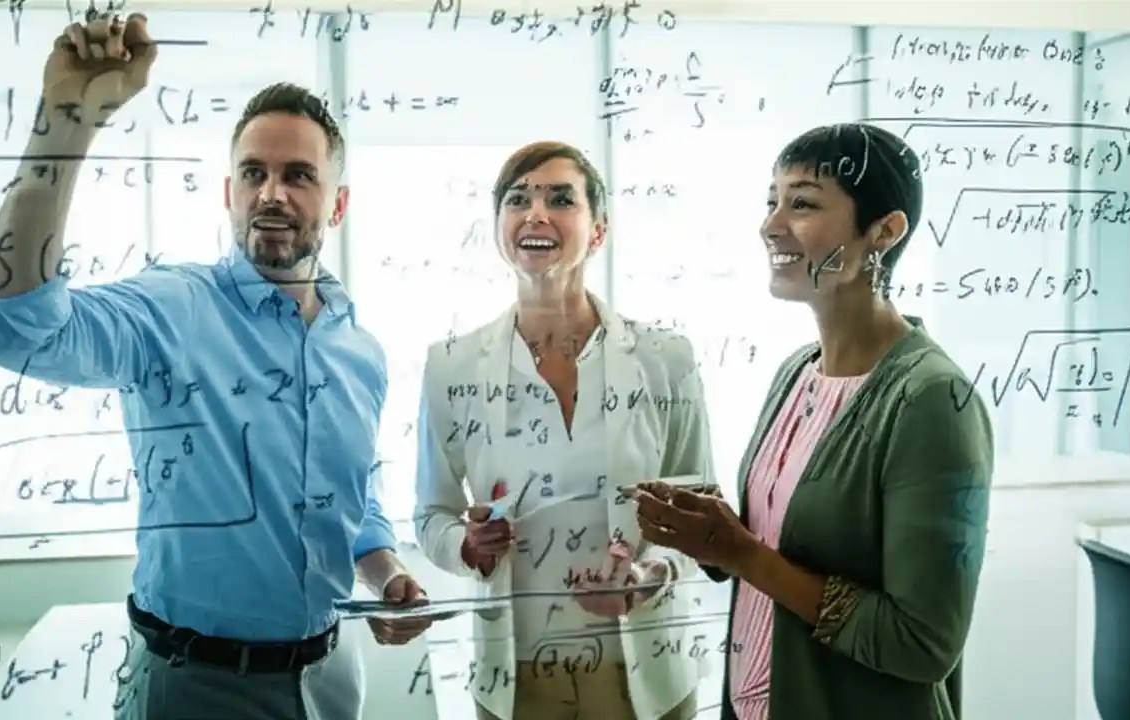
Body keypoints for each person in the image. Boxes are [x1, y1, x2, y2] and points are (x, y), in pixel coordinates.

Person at [0, 13, 432, 720]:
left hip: (333, 680)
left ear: (337, 203)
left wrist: (386, 570)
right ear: (229, 194)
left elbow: (352, 495)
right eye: (254, 173)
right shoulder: (169, 309)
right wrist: (67, 121)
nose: (272, 193)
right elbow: (12, 323)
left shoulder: (358, 350)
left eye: (298, 176)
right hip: (194, 686)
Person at [631, 123, 994, 720]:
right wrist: (712, 536)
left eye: (801, 202)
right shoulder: (796, 372)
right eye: (771, 200)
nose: (771, 224)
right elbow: (780, 547)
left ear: (884, 231)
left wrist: (743, 553)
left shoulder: (932, 400)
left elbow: (923, 644)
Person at [412, 141, 713, 720]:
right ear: (499, 226)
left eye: (560, 199)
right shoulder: (450, 364)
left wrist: (656, 572)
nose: (536, 214)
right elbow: (432, 515)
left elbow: (702, 508)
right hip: (518, 675)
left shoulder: (665, 358)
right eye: (517, 199)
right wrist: (466, 546)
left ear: (597, 231)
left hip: (647, 671)